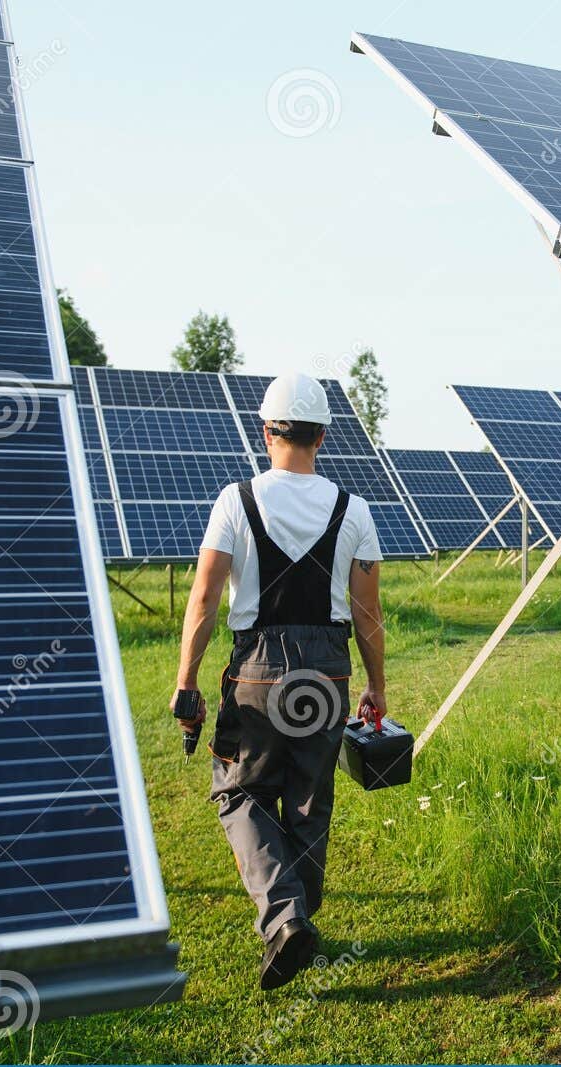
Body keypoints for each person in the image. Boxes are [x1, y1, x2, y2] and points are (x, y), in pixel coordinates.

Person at [171, 372, 387, 991]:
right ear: (323, 435)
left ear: (267, 432)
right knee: (310, 798)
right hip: (327, 672)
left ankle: (286, 917)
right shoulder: (354, 510)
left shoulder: (234, 502)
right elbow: (367, 611)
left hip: (257, 671)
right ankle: (296, 919)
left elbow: (206, 597)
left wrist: (186, 678)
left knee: (239, 793)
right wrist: (375, 684)